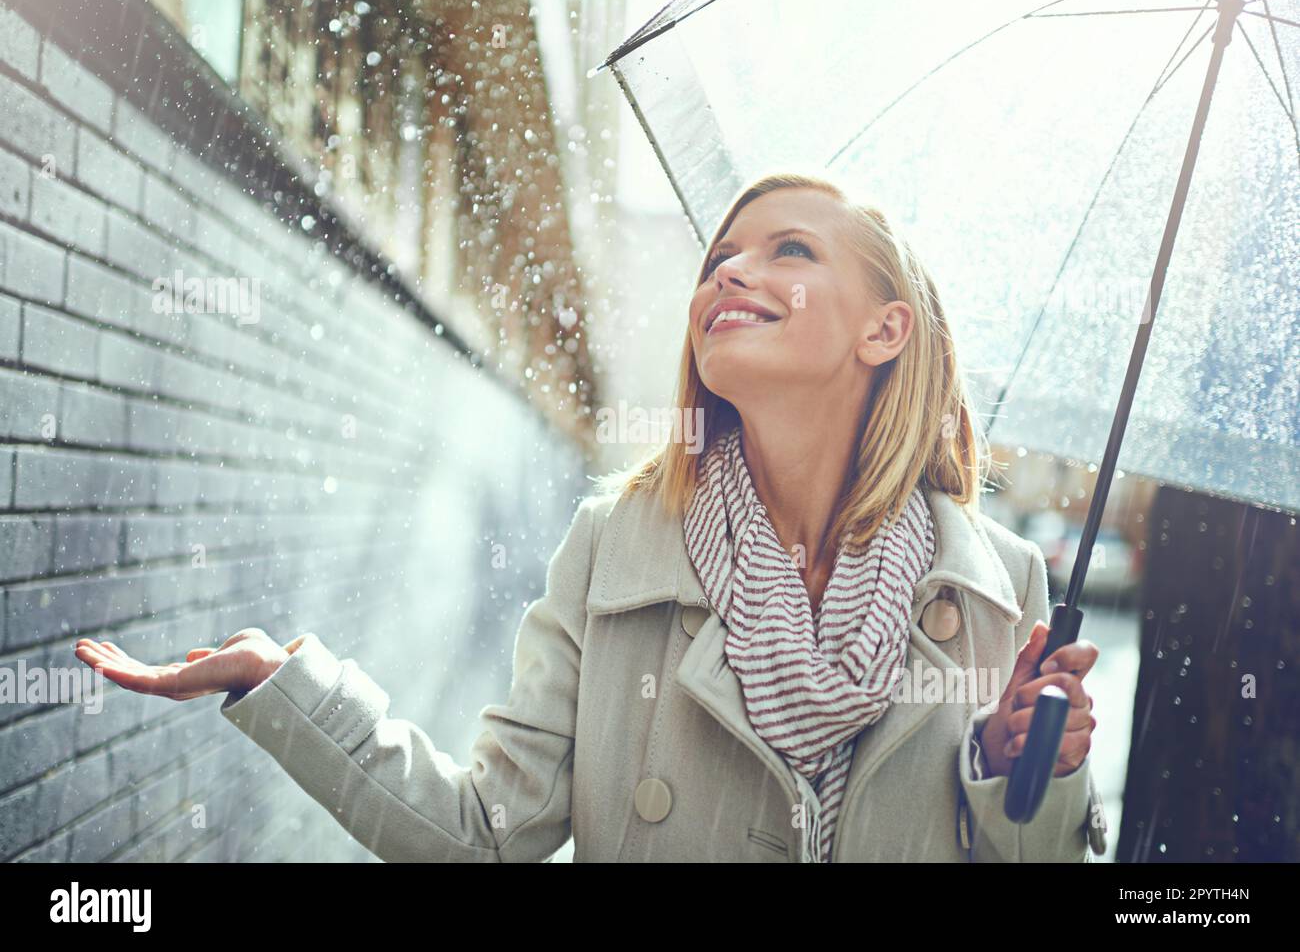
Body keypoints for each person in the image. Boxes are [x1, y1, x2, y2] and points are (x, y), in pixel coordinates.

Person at [75, 172, 1105, 862]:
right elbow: (486, 831)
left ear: (888, 329)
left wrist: (1025, 771)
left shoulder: (997, 587)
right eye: (716, 260)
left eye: (788, 248)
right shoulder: (618, 548)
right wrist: (287, 685)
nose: (728, 273)